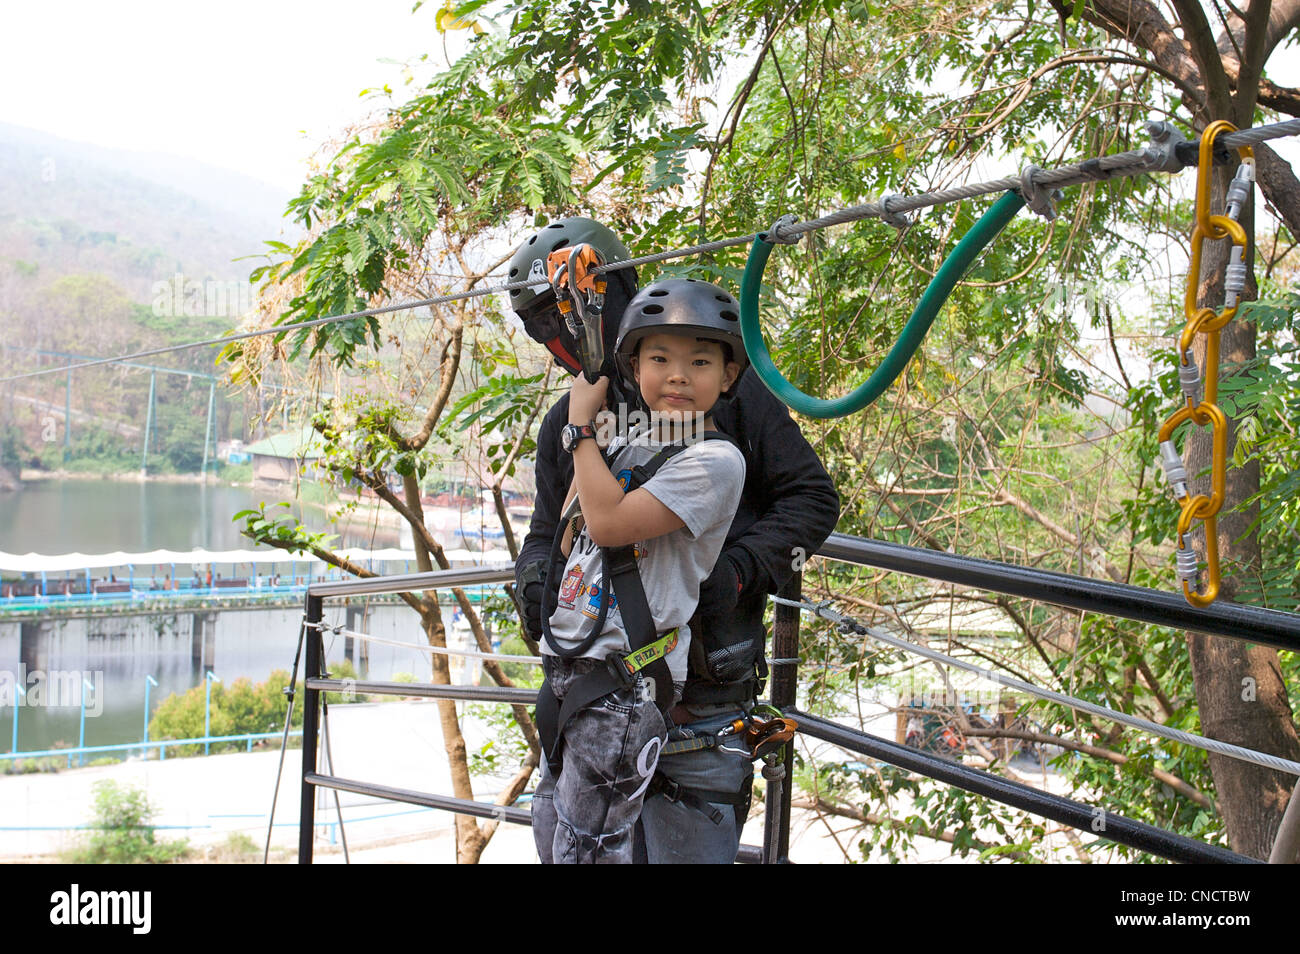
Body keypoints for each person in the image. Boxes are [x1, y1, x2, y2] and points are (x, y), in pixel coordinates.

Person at [514, 218, 839, 864]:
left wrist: (736, 575)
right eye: (548, 326)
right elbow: (549, 530)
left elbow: (812, 499)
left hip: (703, 709)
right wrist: (532, 585)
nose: (566, 335)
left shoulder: (725, 396)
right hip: (593, 698)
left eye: (576, 311)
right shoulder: (571, 419)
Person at [535, 277, 748, 863]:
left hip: (624, 687)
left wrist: (580, 427)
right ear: (635, 366)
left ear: (728, 376)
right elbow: (573, 525)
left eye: (700, 361)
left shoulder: (715, 461)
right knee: (552, 826)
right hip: (576, 670)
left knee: (589, 848)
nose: (678, 375)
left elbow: (605, 524)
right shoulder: (630, 445)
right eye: (660, 358)